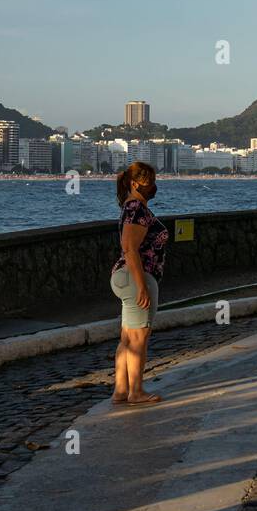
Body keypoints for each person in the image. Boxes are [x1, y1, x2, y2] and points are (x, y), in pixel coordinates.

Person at [110, 161, 169, 405]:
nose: (153, 186)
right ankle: (136, 391)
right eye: (149, 182)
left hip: (128, 276)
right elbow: (129, 248)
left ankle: (121, 390)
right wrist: (142, 285)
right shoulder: (136, 208)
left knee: (127, 336)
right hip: (137, 276)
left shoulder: (132, 207)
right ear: (135, 184)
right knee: (139, 337)